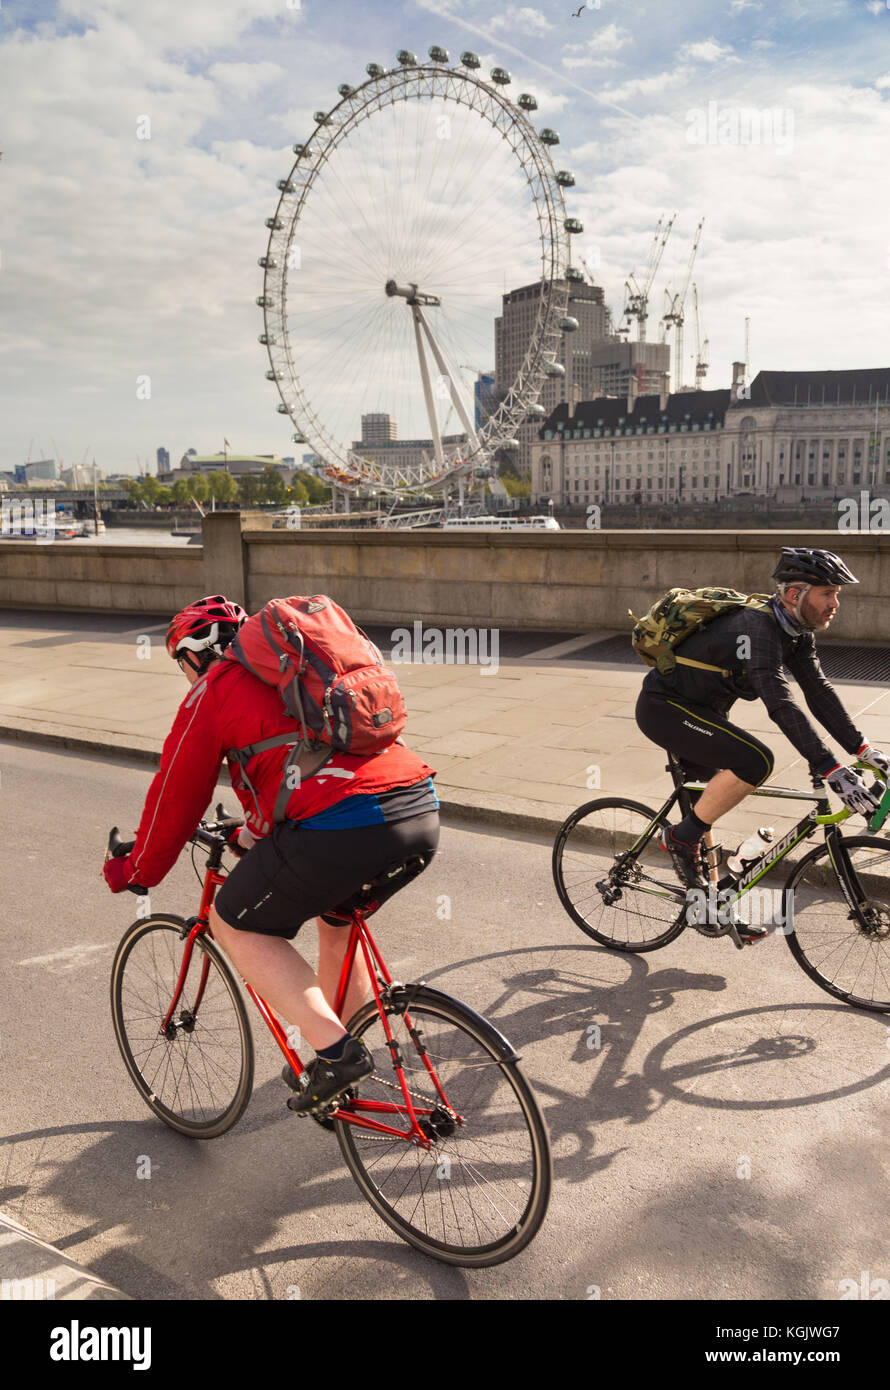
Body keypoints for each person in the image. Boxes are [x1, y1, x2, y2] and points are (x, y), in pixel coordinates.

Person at [103, 595, 440, 1113]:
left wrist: (135, 869)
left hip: (340, 825)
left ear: (194, 655)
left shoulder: (214, 690)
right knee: (336, 923)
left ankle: (336, 1056)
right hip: (416, 807)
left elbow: (175, 795)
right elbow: (298, 772)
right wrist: (250, 835)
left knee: (234, 922)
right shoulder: (299, 673)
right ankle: (342, 1083)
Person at [634, 548, 890, 916]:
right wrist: (829, 767)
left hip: (703, 712)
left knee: (705, 800)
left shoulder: (797, 632)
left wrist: (861, 748)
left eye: (837, 594)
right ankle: (677, 838)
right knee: (755, 761)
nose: (836, 603)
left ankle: (707, 904)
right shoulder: (759, 628)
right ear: (794, 595)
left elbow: (817, 692)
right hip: (666, 709)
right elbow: (780, 703)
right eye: (828, 593)